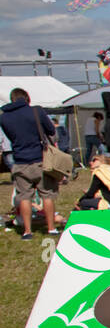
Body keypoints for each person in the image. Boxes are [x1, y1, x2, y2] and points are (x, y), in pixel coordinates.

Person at [0, 87, 61, 238]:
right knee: (47, 194)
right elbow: (51, 131)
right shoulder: (36, 111)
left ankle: (27, 231)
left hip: (19, 161)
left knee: (24, 196)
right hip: (40, 159)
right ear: (27, 98)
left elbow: (11, 136)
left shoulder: (3, 117)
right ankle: (51, 228)